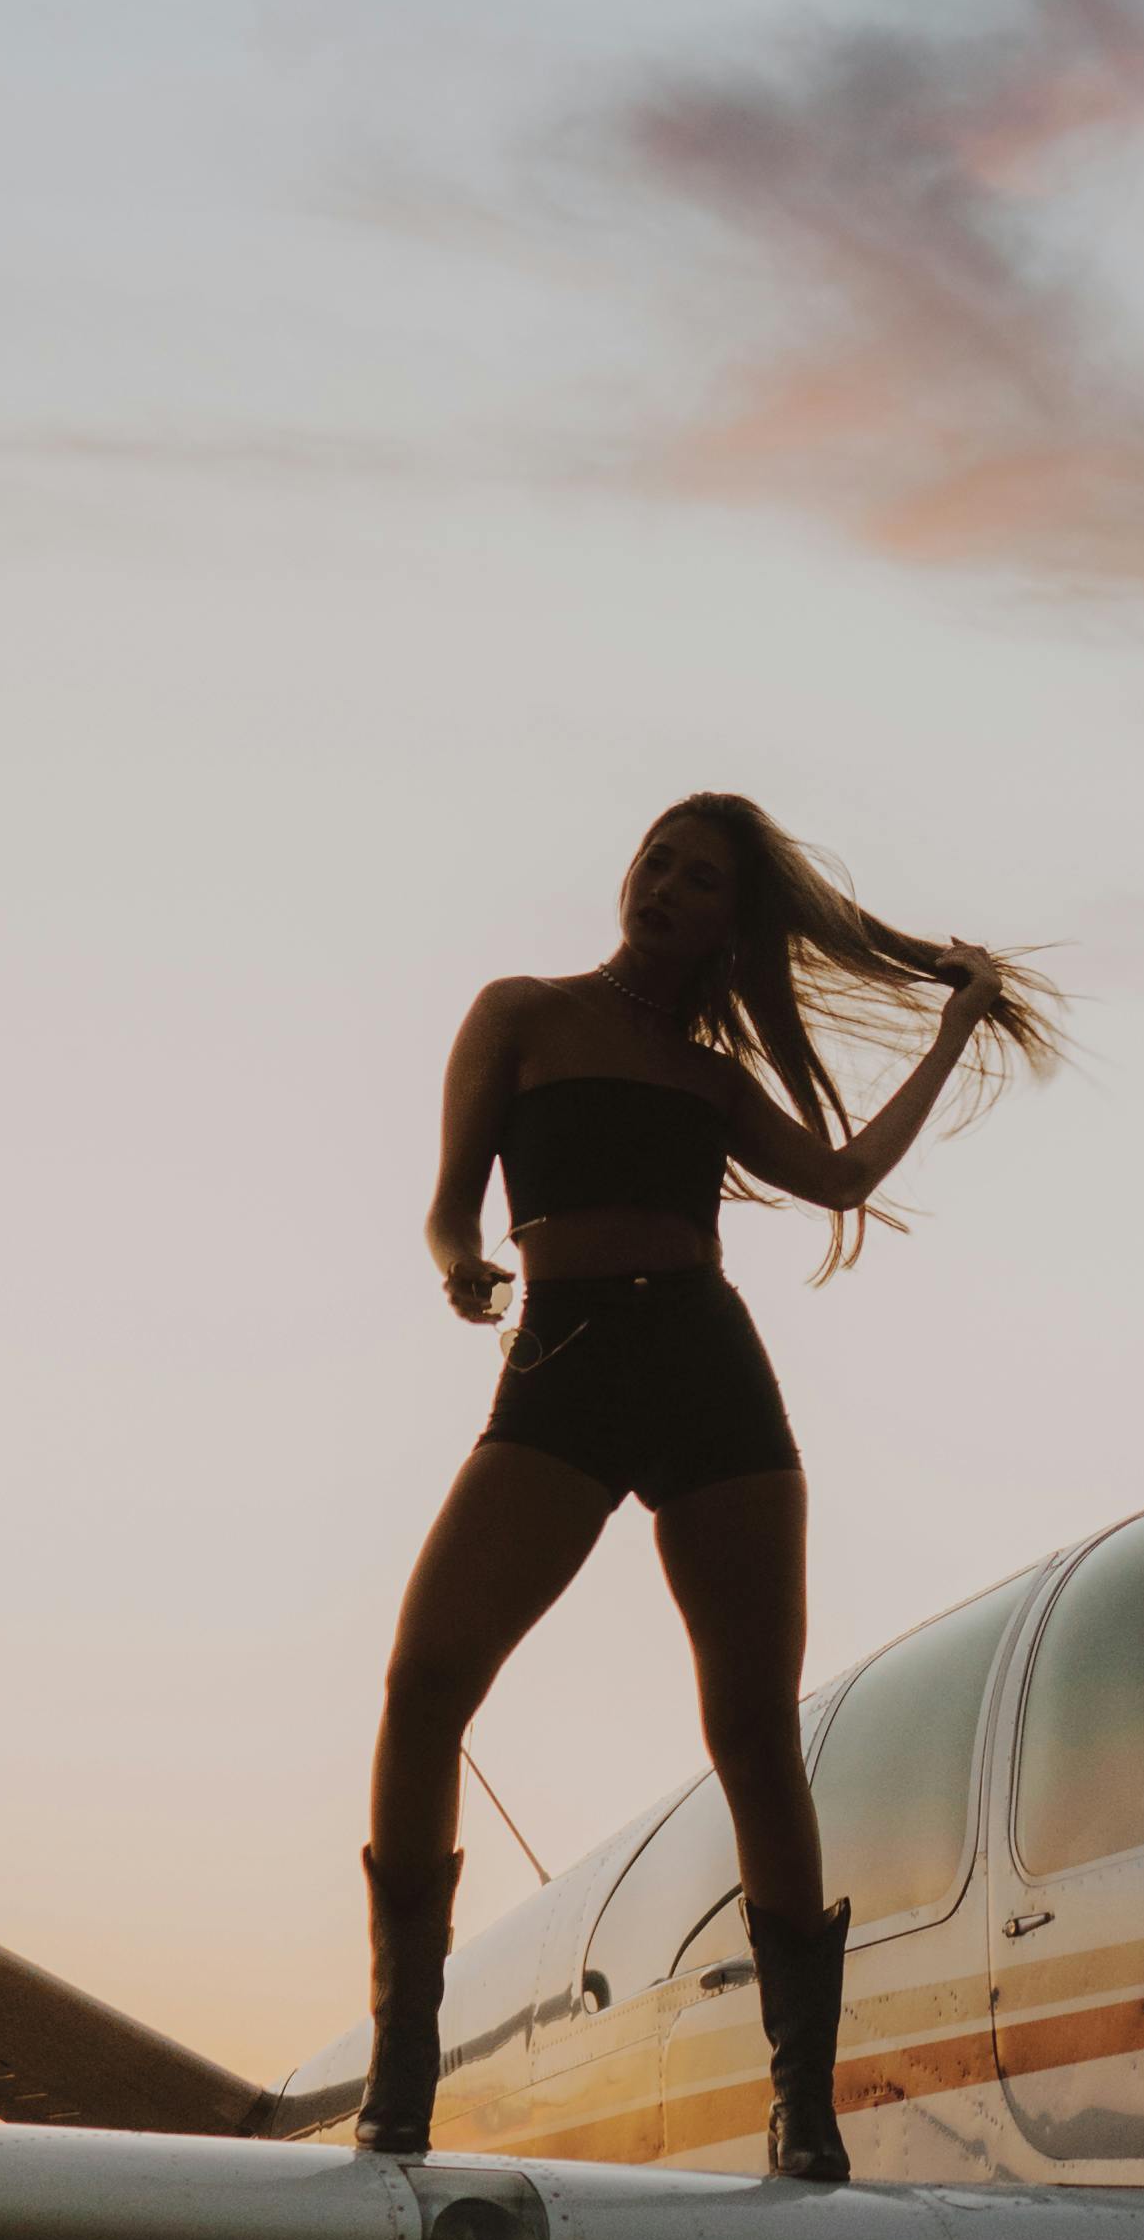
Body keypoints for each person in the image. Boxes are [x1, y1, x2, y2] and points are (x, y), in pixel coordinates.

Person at [360, 792, 1062, 2168]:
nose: (666, 889)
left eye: (699, 882)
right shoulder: (520, 1014)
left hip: (707, 1376)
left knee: (749, 1732)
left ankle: (805, 2107)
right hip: (563, 1369)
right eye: (656, 863)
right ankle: (399, 2074)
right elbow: (451, 1197)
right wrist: (461, 1262)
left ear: (732, 924)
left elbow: (847, 1172)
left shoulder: (713, 1084)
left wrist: (956, 1024)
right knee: (425, 1681)